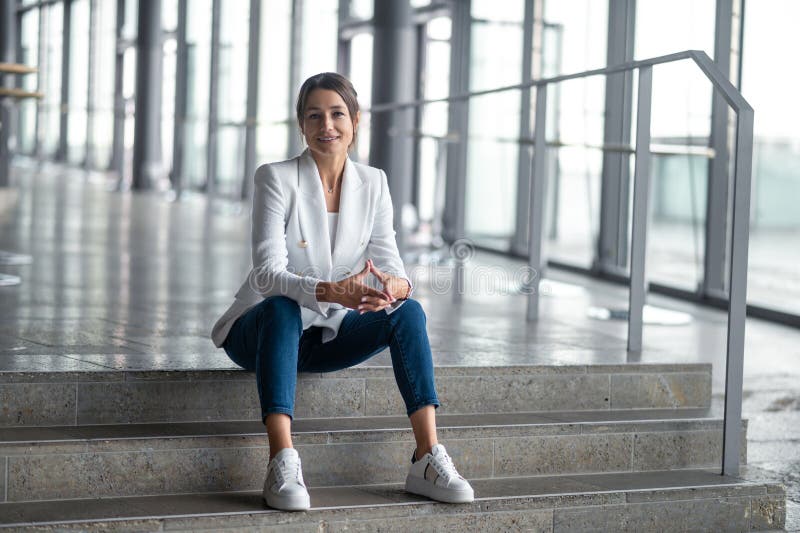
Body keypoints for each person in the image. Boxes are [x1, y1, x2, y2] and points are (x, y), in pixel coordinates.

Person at [211, 72, 473, 512]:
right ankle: (281, 460)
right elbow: (267, 274)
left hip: (327, 336)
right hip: (261, 332)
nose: (326, 125)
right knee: (282, 308)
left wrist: (394, 286)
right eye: (314, 116)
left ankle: (427, 457)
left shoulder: (374, 183)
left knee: (409, 312)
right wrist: (332, 290)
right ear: (301, 123)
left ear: (355, 121)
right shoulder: (275, 178)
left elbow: (392, 264)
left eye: (337, 114)